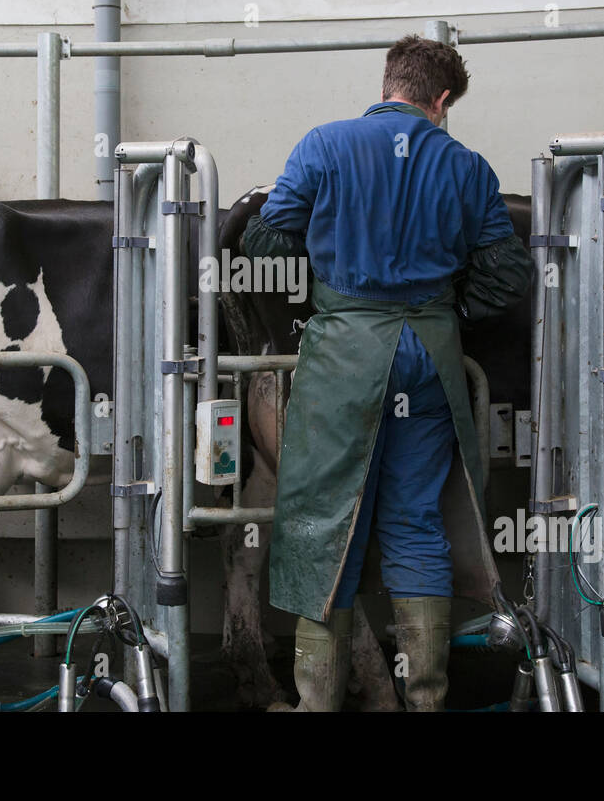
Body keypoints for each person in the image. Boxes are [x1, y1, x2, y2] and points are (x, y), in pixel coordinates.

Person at [244, 35, 532, 712]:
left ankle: (318, 703)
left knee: (325, 521)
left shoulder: (324, 144)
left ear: (386, 85)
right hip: (430, 354)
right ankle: (426, 699)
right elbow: (509, 274)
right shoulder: (466, 166)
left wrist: (330, 272)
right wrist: (448, 309)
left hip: (346, 355)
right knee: (415, 522)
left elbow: (264, 241)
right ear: (441, 100)